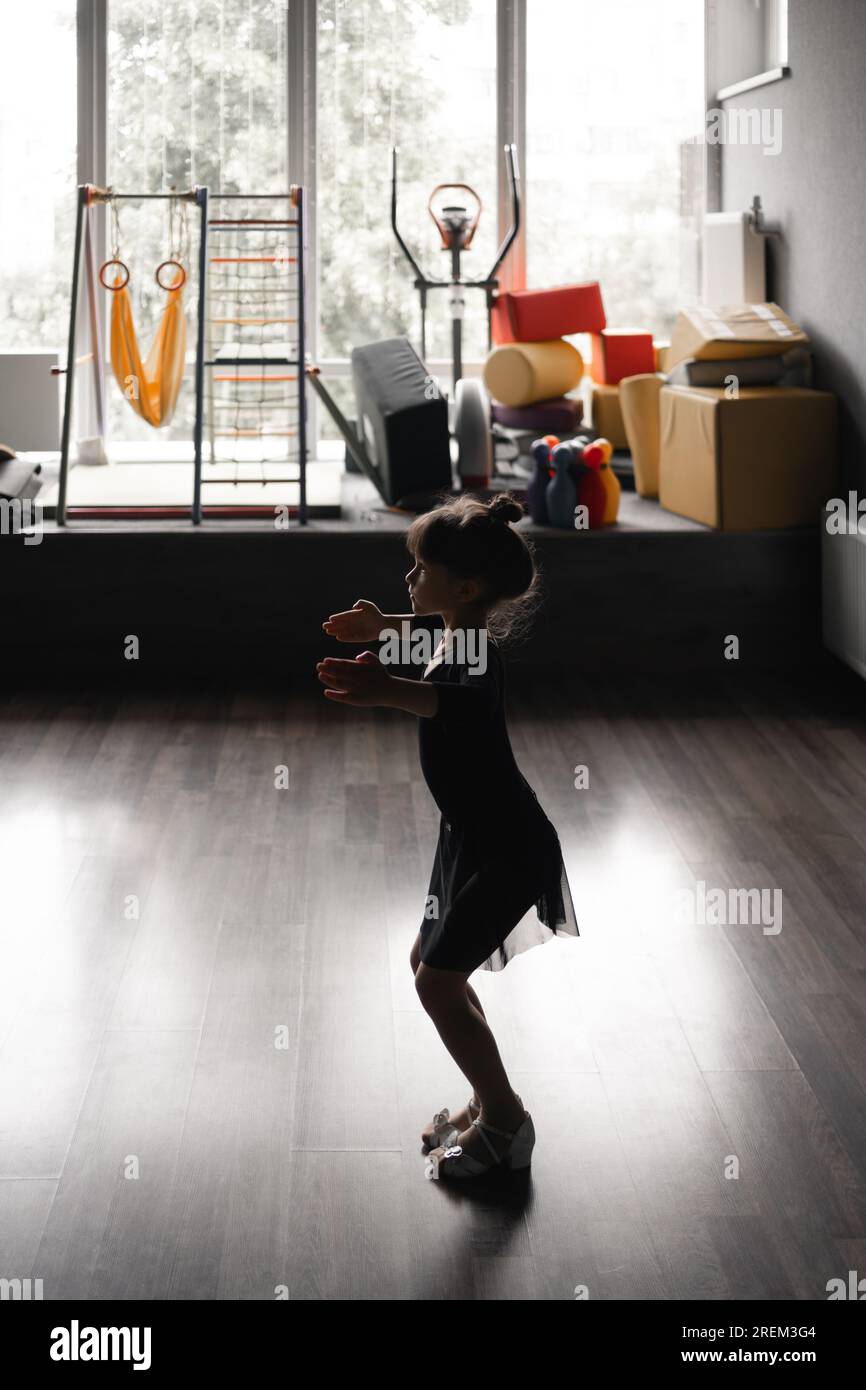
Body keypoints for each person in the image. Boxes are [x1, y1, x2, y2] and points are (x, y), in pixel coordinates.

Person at [318, 492, 578, 1180]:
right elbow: (428, 635)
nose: (409, 579)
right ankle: (490, 1097)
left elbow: (443, 698)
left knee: (437, 981)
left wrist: (384, 688)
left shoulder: (476, 660)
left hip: (509, 849)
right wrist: (383, 626)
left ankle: (504, 1124)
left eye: (420, 568)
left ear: (463, 587)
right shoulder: (458, 629)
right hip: (474, 838)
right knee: (428, 966)